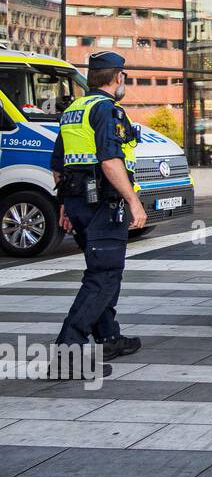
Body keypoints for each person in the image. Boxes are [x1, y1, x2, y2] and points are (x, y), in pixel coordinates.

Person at [48, 51, 147, 374]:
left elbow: (59, 165)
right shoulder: (108, 110)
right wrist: (132, 200)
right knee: (103, 277)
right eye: (125, 77)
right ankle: (67, 354)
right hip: (104, 203)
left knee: (103, 271)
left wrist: (65, 205)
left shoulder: (74, 110)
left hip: (78, 203)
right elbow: (109, 160)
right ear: (118, 77)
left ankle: (108, 338)